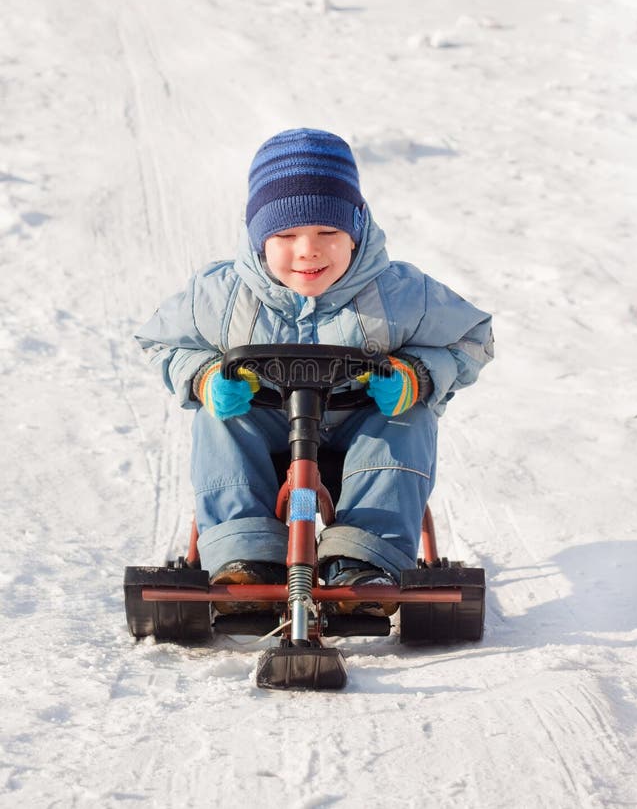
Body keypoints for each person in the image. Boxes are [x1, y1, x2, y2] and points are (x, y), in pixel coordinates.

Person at [136, 128, 493, 614]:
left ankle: (365, 560)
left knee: (408, 420)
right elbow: (161, 341)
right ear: (259, 237)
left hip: (360, 431)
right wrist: (204, 377)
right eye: (285, 236)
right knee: (218, 421)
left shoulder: (401, 292)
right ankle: (245, 556)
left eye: (328, 233)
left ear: (356, 232)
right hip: (264, 430)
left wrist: (417, 375)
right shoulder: (220, 294)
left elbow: (470, 338)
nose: (308, 250)